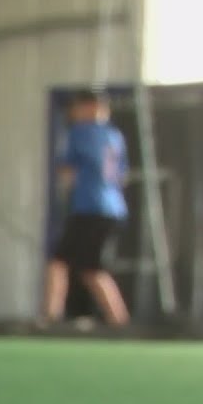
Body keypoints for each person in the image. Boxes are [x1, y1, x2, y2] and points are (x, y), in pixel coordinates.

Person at [42, 89, 131, 327]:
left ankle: (50, 318)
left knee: (59, 263)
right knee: (90, 268)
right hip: (113, 209)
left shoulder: (81, 133)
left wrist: (66, 181)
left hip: (91, 208)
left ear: (89, 107)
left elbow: (68, 171)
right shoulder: (115, 136)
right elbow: (121, 176)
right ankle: (118, 320)